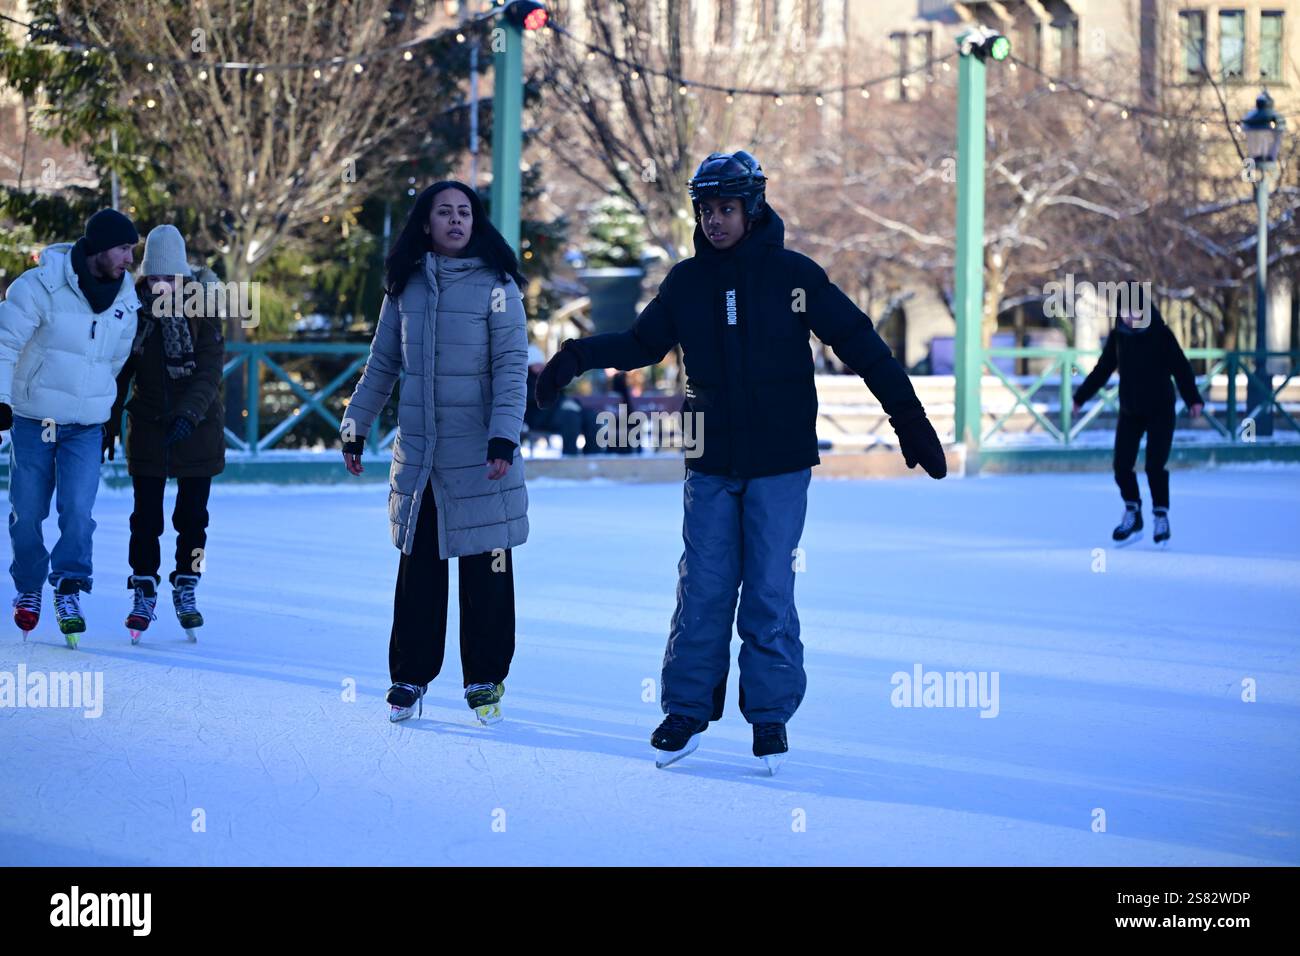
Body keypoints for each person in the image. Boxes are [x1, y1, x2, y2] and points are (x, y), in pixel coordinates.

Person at [536, 151, 946, 772]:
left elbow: (862, 344)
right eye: (705, 210)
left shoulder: (793, 276)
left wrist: (908, 419)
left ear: (751, 209)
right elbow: (642, 344)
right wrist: (575, 355)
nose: (715, 221)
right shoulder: (687, 282)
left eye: (726, 208)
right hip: (709, 457)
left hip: (779, 458)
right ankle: (686, 709)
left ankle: (771, 715)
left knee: (768, 586)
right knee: (702, 583)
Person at [340, 181, 529, 725]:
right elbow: (382, 365)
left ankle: (485, 679)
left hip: (480, 453)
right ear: (425, 222)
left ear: (475, 222)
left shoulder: (498, 286)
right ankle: (409, 676)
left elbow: (512, 369)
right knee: (418, 568)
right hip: (420, 456)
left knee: (486, 567)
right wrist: (356, 424)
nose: (454, 220)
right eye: (443, 212)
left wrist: (503, 437)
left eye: (464, 212)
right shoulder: (406, 286)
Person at [0, 209, 141, 645]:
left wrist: (105, 409)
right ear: (99, 249)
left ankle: (68, 587)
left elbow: (115, 364)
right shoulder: (38, 286)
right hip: (35, 418)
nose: (129, 259)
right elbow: (4, 343)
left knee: (78, 512)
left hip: (85, 426)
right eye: (123, 249)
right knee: (28, 515)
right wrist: (2, 399)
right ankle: (28, 587)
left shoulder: (126, 299)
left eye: (132, 250)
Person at [109, 225, 225, 642]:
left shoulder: (204, 311)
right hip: (149, 428)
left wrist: (189, 415)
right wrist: (108, 419)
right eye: (154, 277)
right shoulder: (132, 313)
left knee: (193, 519)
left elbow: (211, 371)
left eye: (169, 277)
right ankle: (143, 589)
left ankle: (187, 584)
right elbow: (120, 370)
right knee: (146, 519)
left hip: (198, 428)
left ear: (183, 277)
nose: (162, 284)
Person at [1072, 289, 1204, 547]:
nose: (1129, 317)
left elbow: (1181, 367)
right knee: (1121, 466)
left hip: (1160, 410)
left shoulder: (1160, 333)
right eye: (1124, 311)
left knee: (1154, 466)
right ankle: (1133, 513)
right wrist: (1081, 396)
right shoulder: (1119, 337)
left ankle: (1160, 517)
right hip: (1131, 411)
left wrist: (1193, 399)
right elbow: (1103, 369)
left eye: (1134, 311)